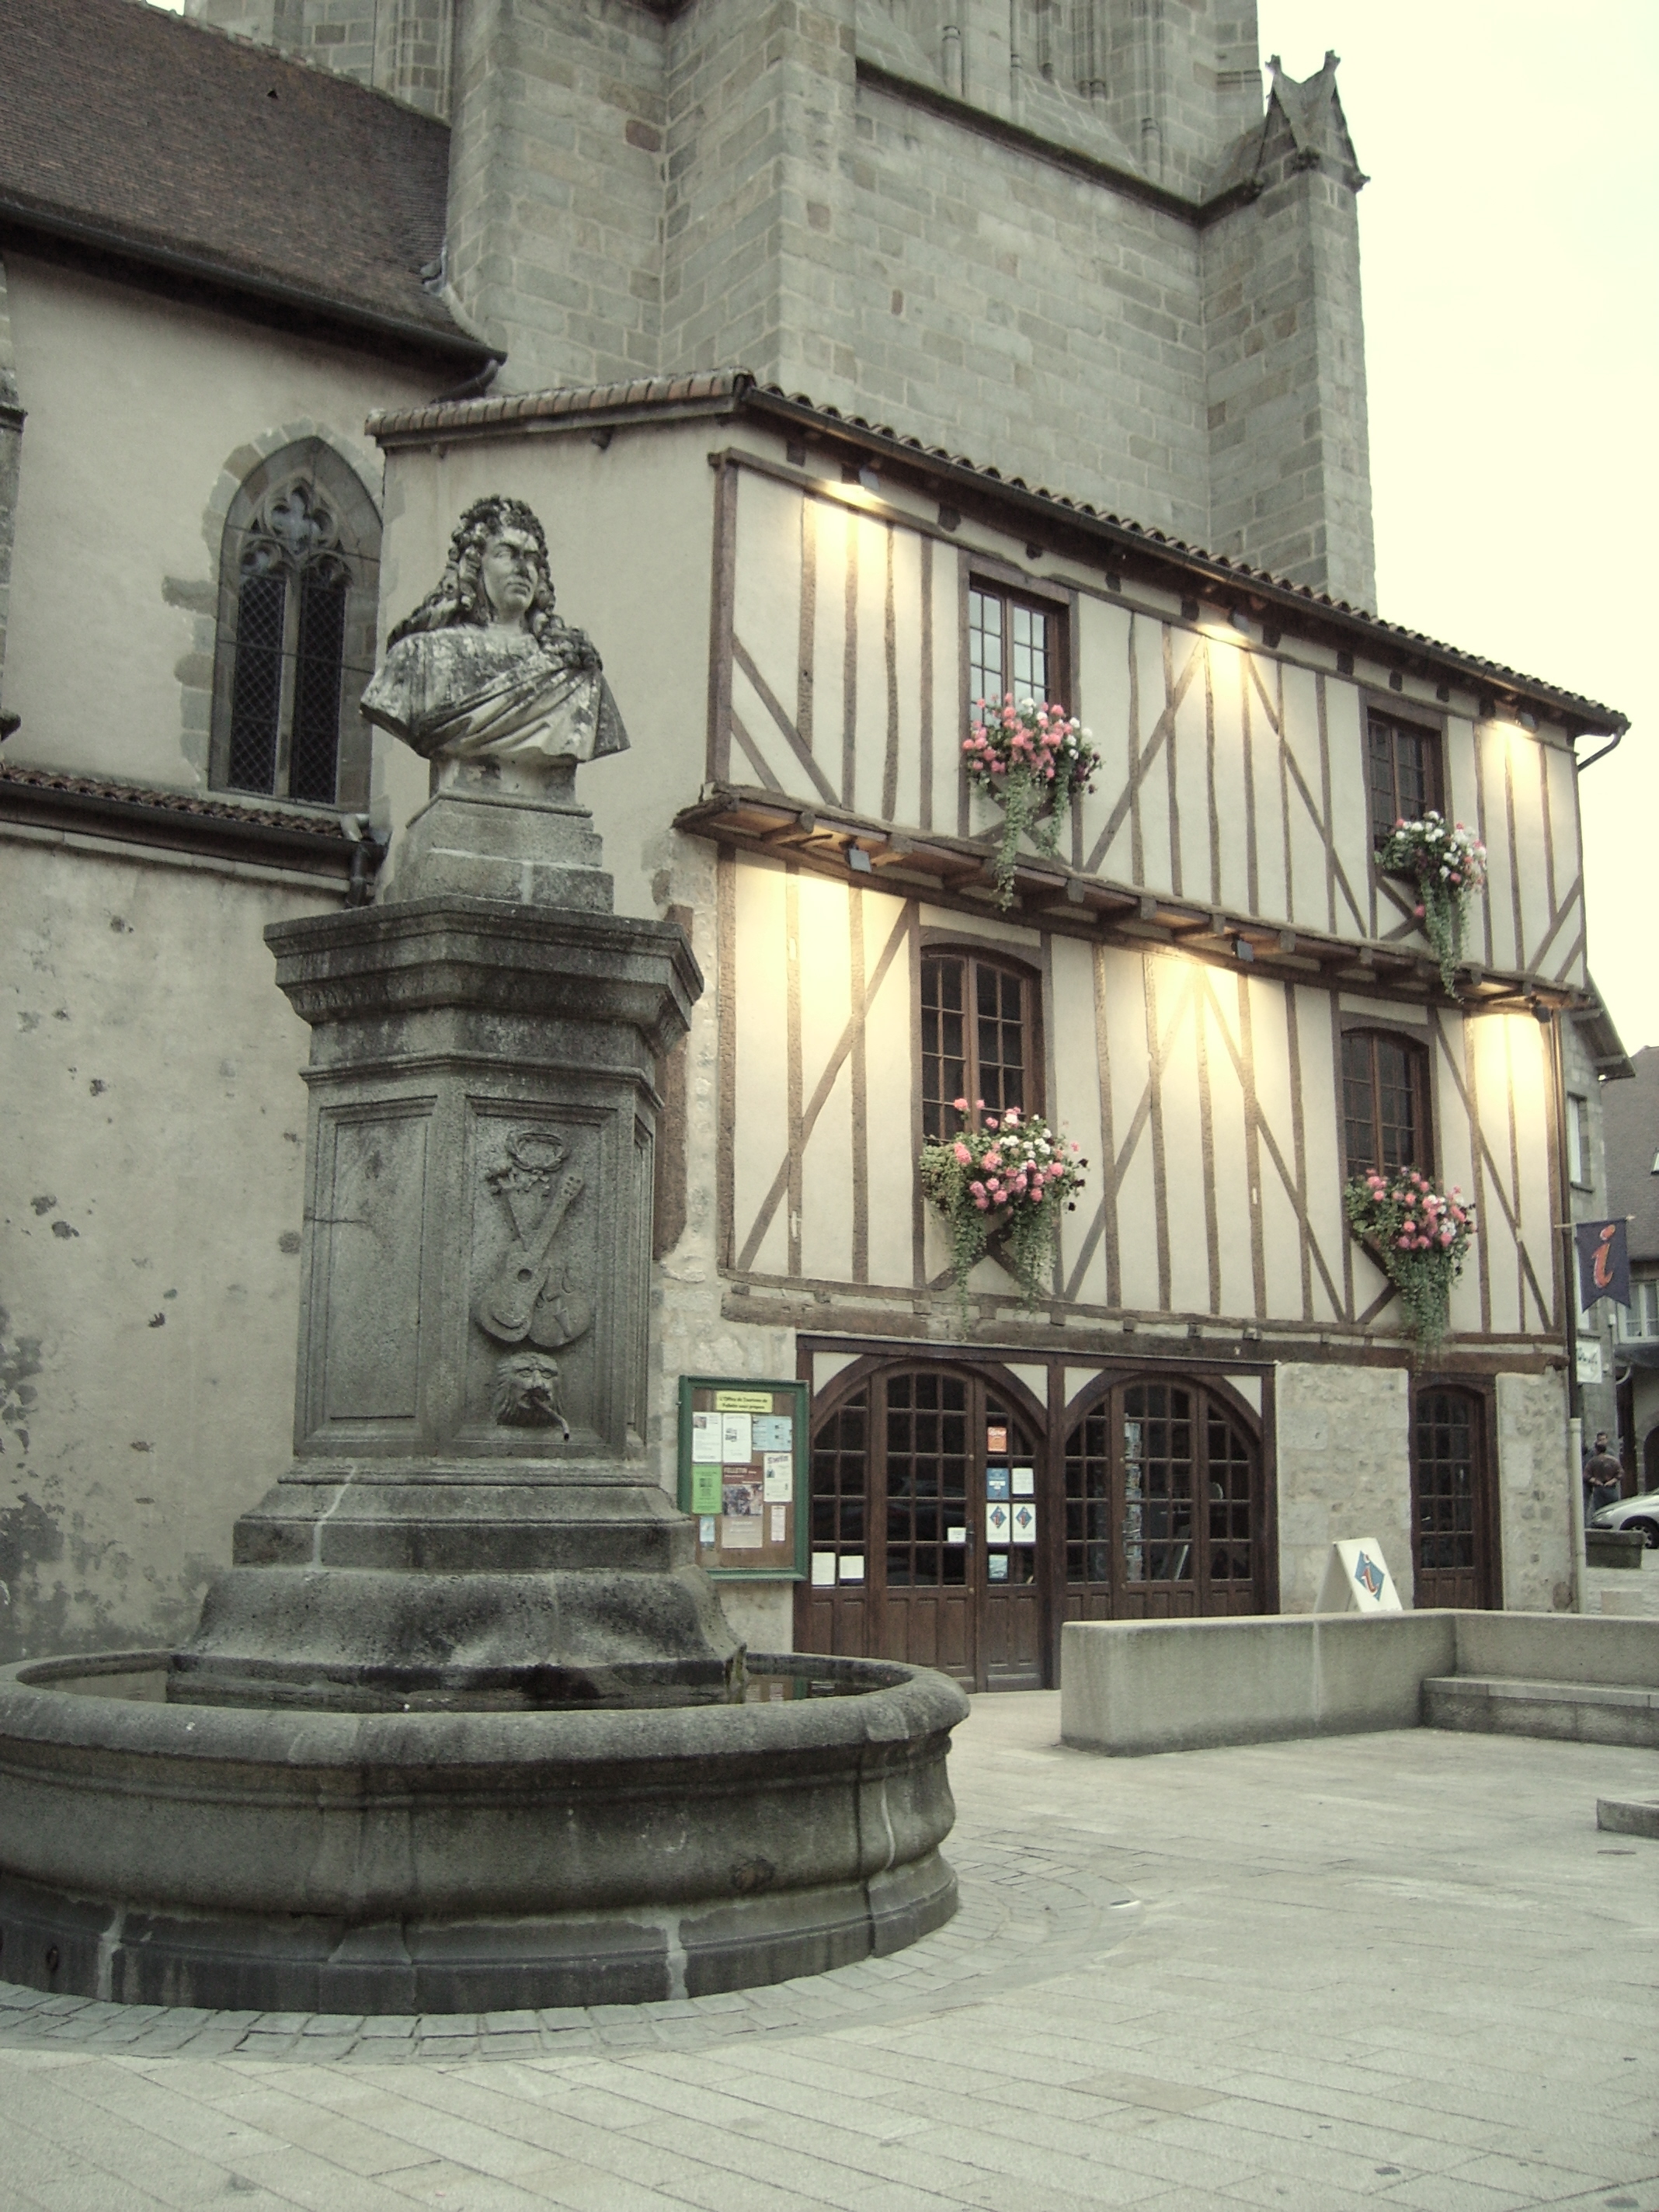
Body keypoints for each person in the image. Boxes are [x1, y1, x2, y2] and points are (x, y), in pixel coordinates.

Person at [361, 495, 628, 765]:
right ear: (476, 565)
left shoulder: (575, 674)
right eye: (506, 554)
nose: (524, 570)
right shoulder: (418, 657)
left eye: (532, 560)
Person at [1583, 1432, 1624, 1519]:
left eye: (1604, 1439)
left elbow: (1586, 1475)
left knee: (1599, 1512)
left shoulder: (1593, 1461)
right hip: (1608, 1487)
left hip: (1601, 1487)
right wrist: (1612, 1481)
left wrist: (1596, 1481)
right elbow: (1620, 1473)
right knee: (1612, 1510)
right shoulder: (1613, 1460)